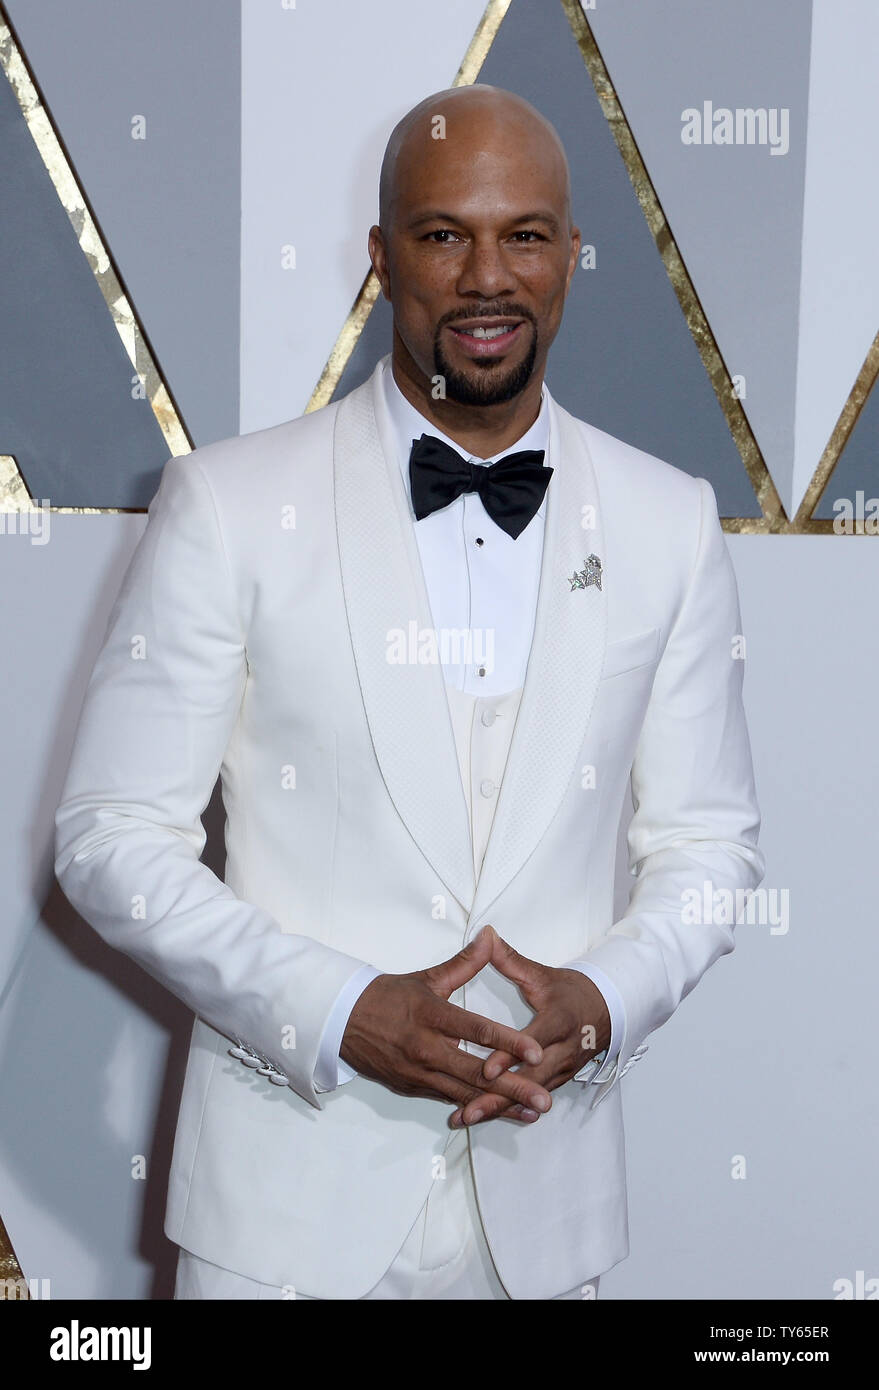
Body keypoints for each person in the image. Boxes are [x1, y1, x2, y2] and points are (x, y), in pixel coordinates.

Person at [54, 84, 764, 1301]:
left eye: (525, 235)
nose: (488, 276)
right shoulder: (231, 507)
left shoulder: (669, 521)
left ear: (572, 257)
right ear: (382, 259)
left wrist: (600, 1003)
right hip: (278, 1219)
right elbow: (109, 838)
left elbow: (711, 847)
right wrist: (336, 1010)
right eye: (445, 235)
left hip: (544, 1220)